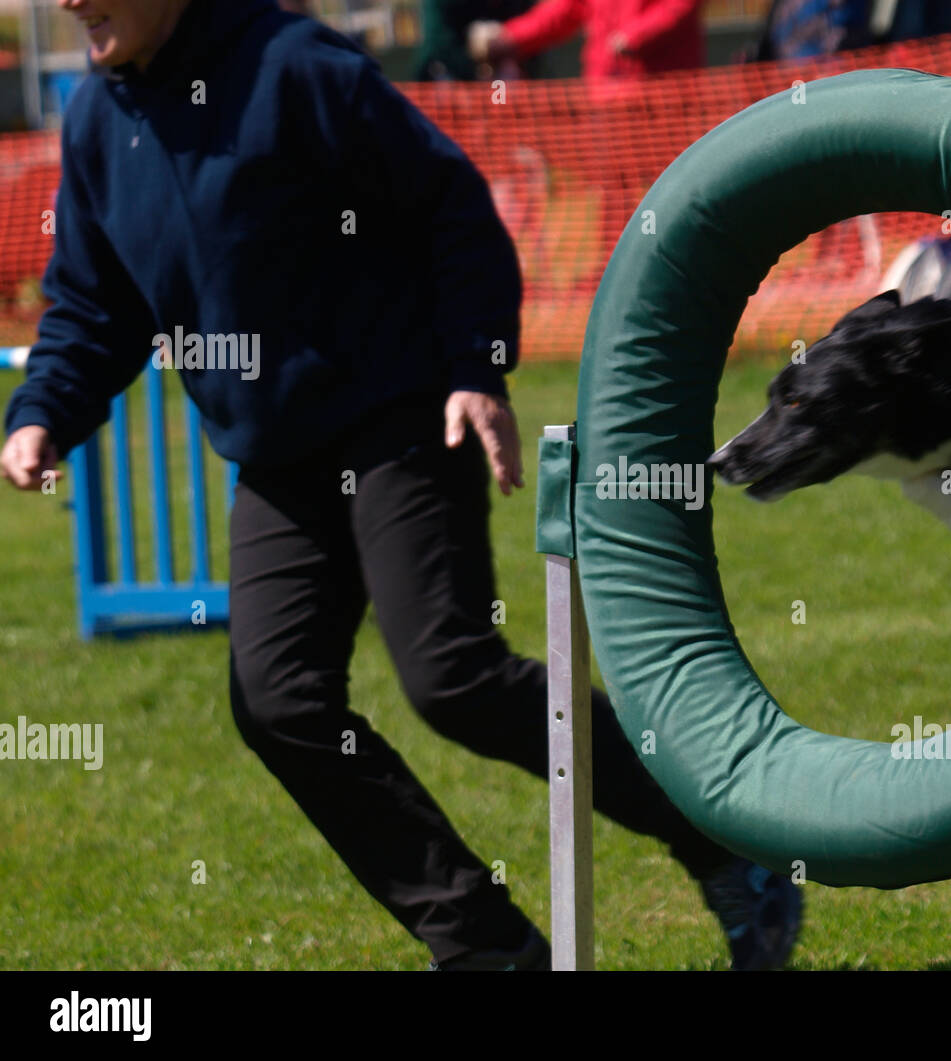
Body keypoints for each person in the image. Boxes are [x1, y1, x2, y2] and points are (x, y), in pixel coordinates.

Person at [1, 0, 802, 970]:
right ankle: (484, 944)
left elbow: (447, 206)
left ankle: (724, 840)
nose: (74, 1)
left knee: (450, 673)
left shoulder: (295, 67)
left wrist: (474, 365)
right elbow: (95, 298)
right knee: (277, 703)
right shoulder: (96, 119)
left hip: (398, 410)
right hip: (275, 456)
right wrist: (44, 408)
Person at [466, 0, 703, 85]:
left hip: (662, 84)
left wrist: (633, 37)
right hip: (605, 84)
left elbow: (679, 5)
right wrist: (509, 37)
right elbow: (564, 11)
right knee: (612, 187)